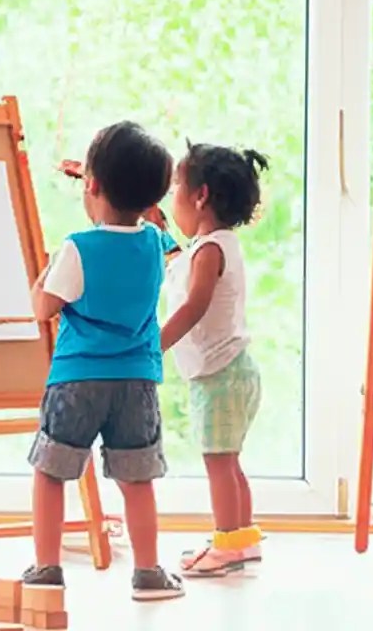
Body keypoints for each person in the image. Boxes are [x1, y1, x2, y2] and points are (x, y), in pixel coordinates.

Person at [23, 120, 186, 601]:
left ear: (90, 185)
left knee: (52, 471)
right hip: (137, 382)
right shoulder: (155, 244)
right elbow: (167, 241)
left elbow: (43, 308)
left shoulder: (77, 247)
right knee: (137, 479)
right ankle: (148, 571)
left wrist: (43, 277)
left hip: (77, 379)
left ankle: (47, 568)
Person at [159, 141, 269, 576]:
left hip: (221, 375)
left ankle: (226, 544)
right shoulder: (213, 245)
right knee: (229, 460)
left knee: (218, 462)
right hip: (233, 371)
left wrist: (155, 344)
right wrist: (159, 225)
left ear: (200, 196)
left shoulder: (209, 250)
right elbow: (178, 266)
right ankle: (240, 539)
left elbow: (194, 304)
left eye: (176, 190)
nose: (173, 199)